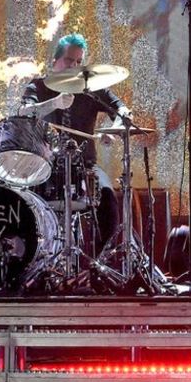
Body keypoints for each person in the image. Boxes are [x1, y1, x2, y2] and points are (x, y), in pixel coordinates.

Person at [19, 32, 131, 254]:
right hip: (46, 166)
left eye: (79, 61)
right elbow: (23, 112)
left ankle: (98, 261)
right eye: (70, 60)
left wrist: (113, 129)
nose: (75, 65)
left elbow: (123, 110)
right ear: (55, 62)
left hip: (86, 166)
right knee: (26, 206)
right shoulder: (39, 86)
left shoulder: (90, 88)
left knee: (108, 201)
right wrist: (54, 103)